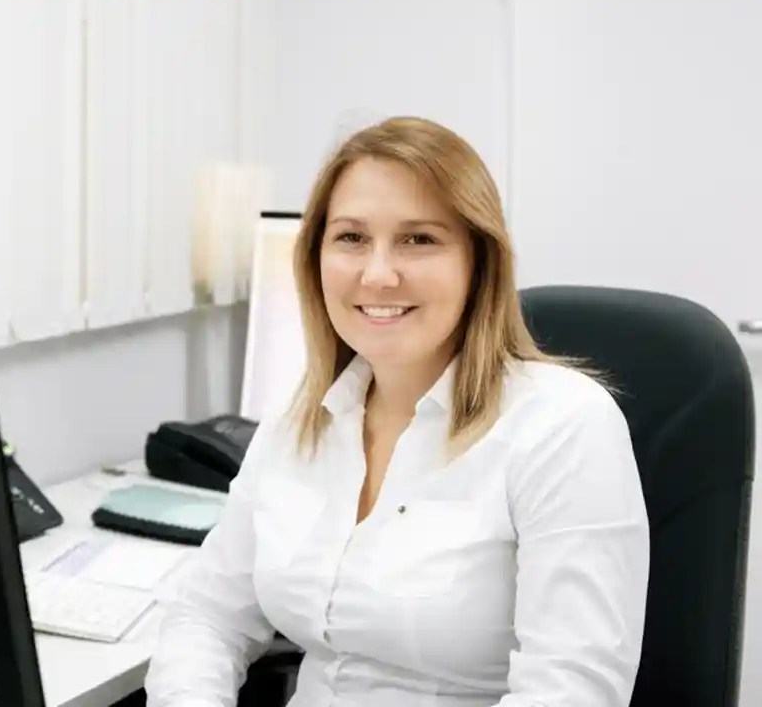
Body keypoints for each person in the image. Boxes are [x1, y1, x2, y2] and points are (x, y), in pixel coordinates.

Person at [145, 117, 649, 706]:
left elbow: (571, 693)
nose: (377, 274)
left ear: (478, 263)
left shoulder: (563, 427)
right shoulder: (304, 421)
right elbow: (206, 616)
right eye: (352, 238)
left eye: (419, 239)